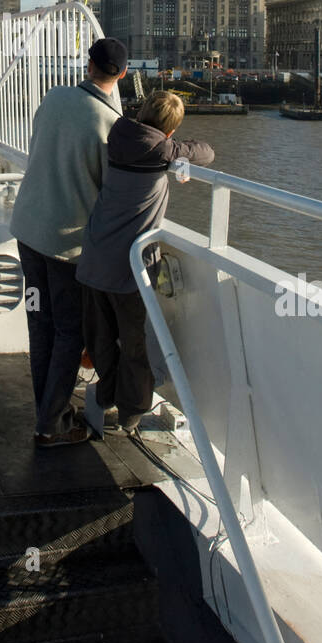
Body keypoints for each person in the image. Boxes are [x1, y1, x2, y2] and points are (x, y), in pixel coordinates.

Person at [10, 37, 127, 448]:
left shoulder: (55, 96)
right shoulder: (112, 123)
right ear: (123, 74)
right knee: (68, 333)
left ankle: (48, 410)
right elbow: (112, 192)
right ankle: (50, 424)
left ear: (88, 64)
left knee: (38, 322)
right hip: (66, 246)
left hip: (28, 232)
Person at [75, 90, 214, 432]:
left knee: (101, 338)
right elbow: (207, 153)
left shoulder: (119, 132)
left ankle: (105, 397)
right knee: (136, 343)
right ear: (170, 129)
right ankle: (131, 412)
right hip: (129, 266)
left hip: (95, 256)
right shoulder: (161, 150)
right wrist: (177, 149)